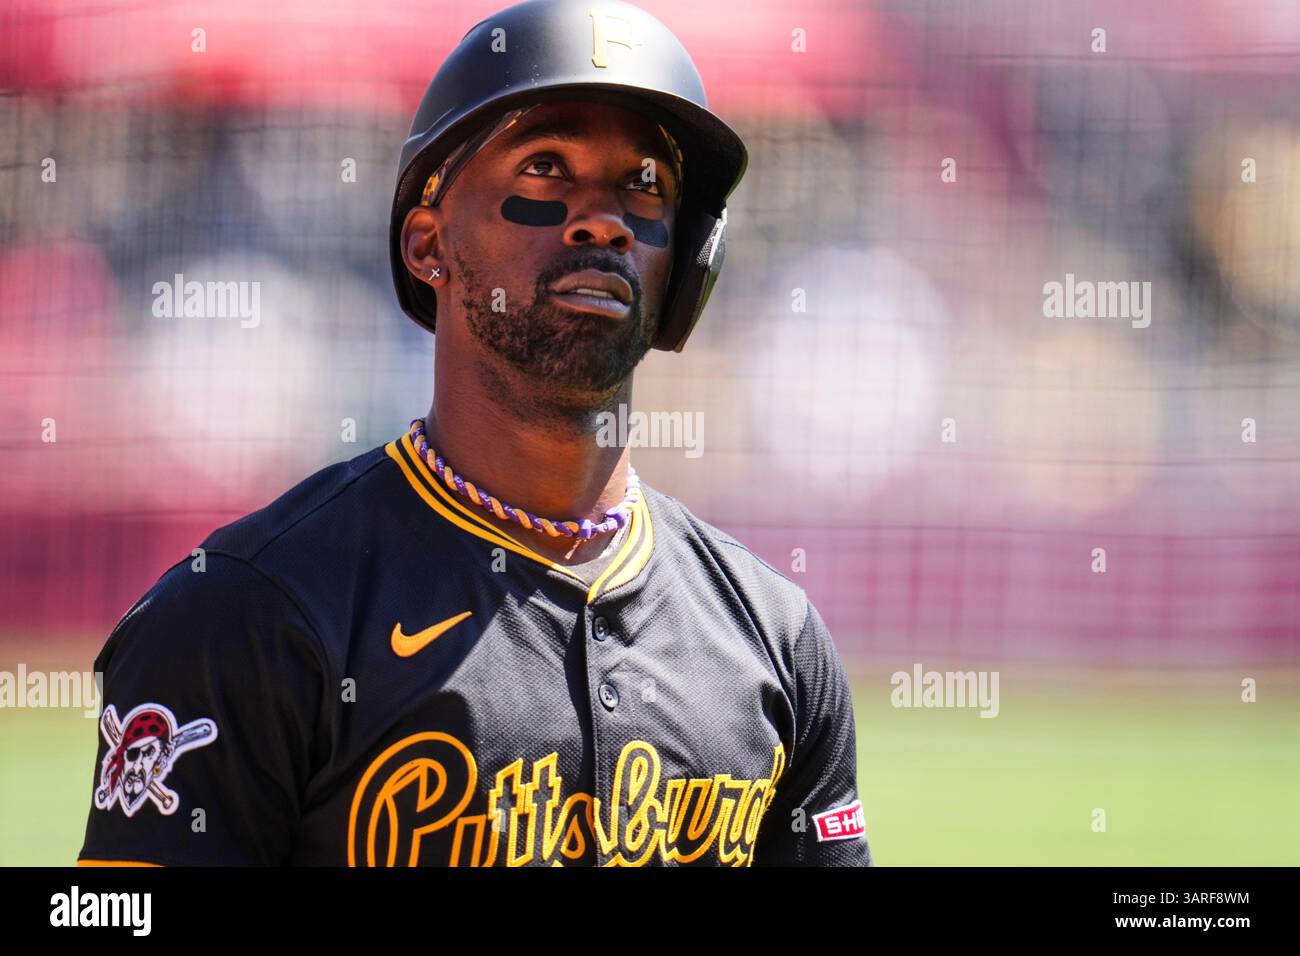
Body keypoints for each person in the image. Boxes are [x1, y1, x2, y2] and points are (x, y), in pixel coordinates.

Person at [78, 0, 872, 867]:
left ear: (686, 264)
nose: (601, 220)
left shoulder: (776, 639)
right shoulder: (250, 613)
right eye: (544, 168)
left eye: (644, 184)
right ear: (428, 244)